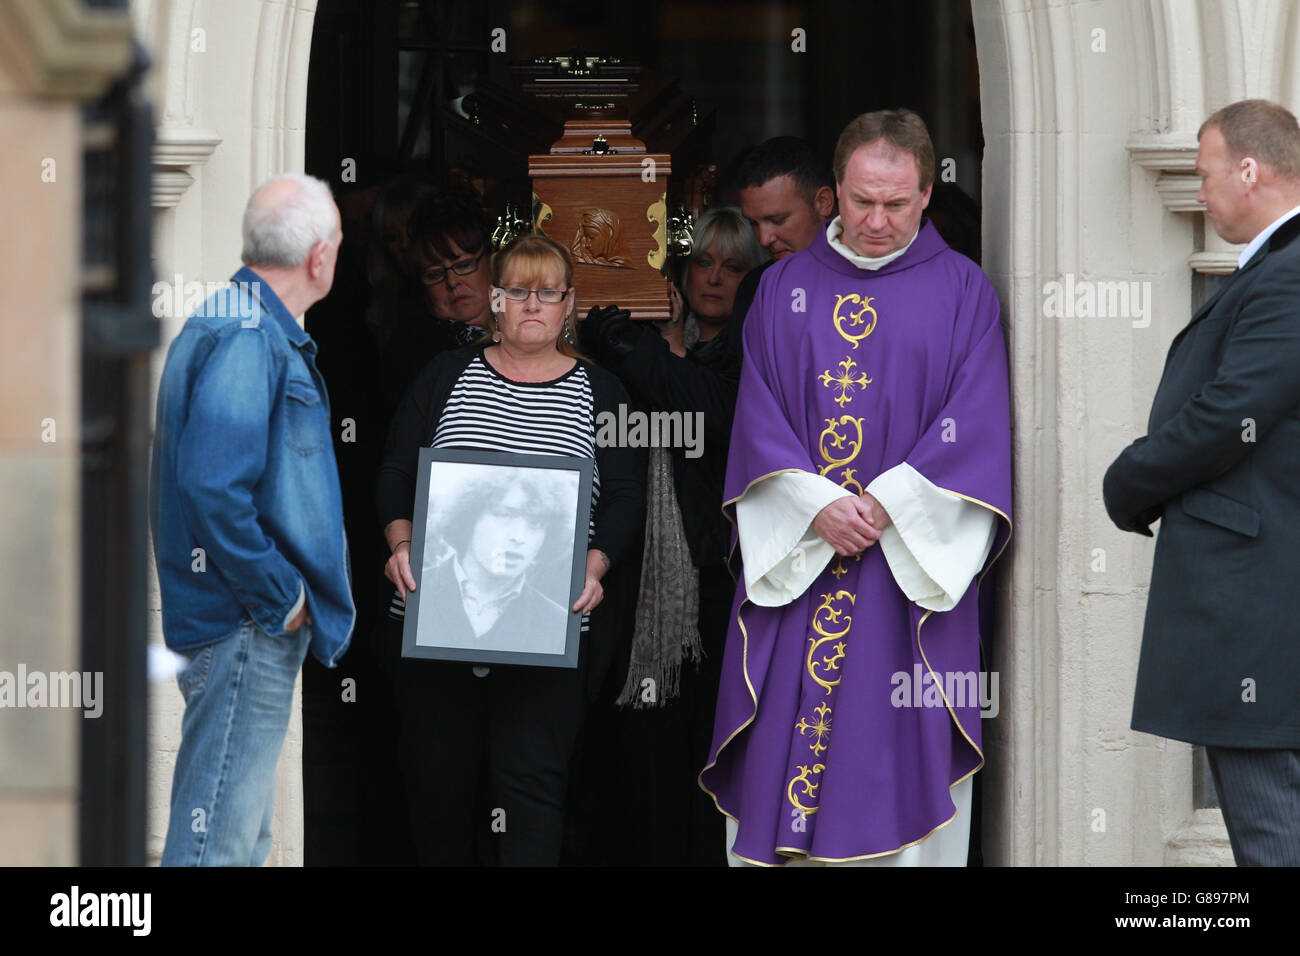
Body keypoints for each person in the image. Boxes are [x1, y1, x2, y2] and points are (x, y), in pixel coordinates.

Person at [700, 109, 1012, 866]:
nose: (877, 220)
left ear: (928, 195)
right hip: (801, 570)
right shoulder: (781, 290)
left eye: (896, 204)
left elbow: (975, 427)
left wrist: (888, 505)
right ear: (832, 192)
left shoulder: (965, 292)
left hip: (907, 581)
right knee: (783, 757)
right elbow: (757, 420)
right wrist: (815, 506)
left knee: (895, 754)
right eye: (862, 200)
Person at [376, 234, 646, 865]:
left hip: (548, 627)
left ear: (569, 303)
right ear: (495, 300)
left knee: (531, 791)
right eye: (518, 290)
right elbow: (394, 471)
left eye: (547, 292)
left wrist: (596, 564)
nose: (532, 304)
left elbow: (627, 499)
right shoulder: (446, 374)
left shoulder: (603, 392)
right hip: (434, 620)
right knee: (438, 793)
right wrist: (400, 543)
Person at [1103, 99, 1300, 866]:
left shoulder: (1288, 277)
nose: (1200, 190)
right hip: (1256, 602)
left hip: (1256, 607)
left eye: (1207, 171)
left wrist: (1130, 479)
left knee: (1269, 831)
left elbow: (1229, 415)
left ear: (1250, 170)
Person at [151, 172, 354, 866]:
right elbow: (212, 485)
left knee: (238, 839)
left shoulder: (239, 321)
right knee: (219, 847)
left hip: (236, 624)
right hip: (242, 625)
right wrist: (283, 597)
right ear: (319, 257)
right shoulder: (247, 335)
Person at [578, 206, 766, 864]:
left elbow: (707, 414)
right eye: (703, 262)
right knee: (642, 756)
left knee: (710, 752)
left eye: (734, 267)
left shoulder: (753, 354)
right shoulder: (652, 346)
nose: (715, 278)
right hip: (640, 587)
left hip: (719, 588)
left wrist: (641, 348)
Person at [413, 471, 573, 654]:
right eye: (504, 515)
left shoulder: (558, 625)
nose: (519, 537)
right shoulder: (414, 589)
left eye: (536, 524)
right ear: (469, 517)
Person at [379, 188, 494, 411]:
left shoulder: (531, 327)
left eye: (463, 265)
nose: (452, 281)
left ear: (492, 260)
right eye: (434, 273)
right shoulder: (413, 358)